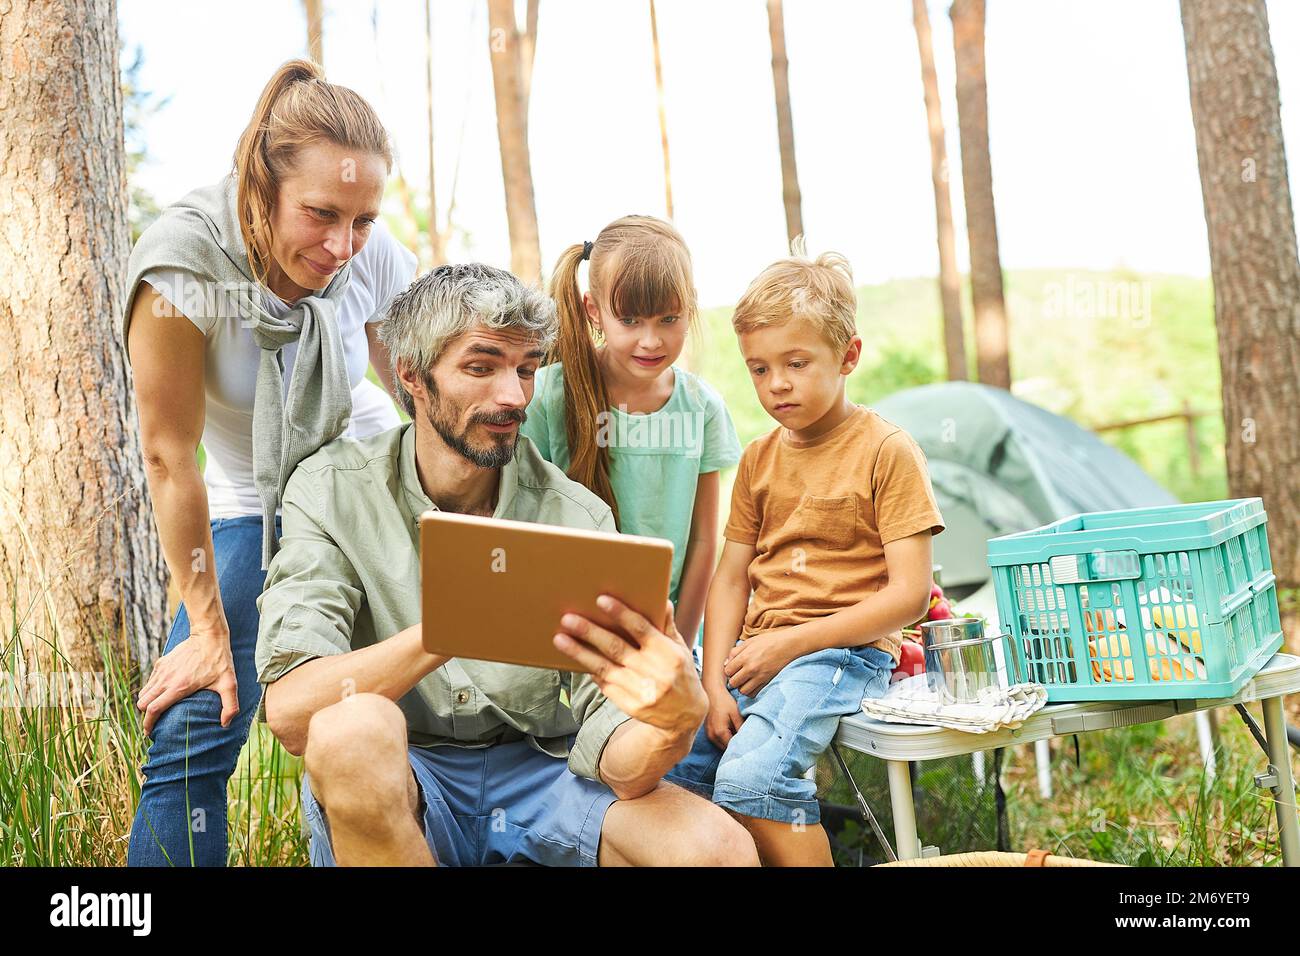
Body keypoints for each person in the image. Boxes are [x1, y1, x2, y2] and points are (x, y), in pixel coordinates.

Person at [254, 262, 758, 867]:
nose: (514, 396)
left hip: (543, 773)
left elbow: (621, 771)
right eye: (481, 366)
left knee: (717, 848)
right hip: (406, 776)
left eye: (525, 370)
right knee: (350, 731)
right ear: (411, 375)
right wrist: (454, 626)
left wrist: (672, 723)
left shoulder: (579, 518)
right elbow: (292, 713)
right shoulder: (332, 492)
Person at [121, 59, 416, 866]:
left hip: (362, 480)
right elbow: (168, 455)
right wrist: (209, 631)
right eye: (321, 214)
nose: (342, 245)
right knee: (193, 724)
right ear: (260, 184)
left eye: (361, 219)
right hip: (250, 499)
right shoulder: (184, 267)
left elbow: (419, 392)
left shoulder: (372, 251)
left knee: (413, 708)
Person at [666, 252, 946, 866]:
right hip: (754, 653)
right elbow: (731, 577)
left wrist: (789, 645)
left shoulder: (887, 451)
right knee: (673, 767)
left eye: (796, 363)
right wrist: (712, 683)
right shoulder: (759, 458)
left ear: (848, 356)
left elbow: (909, 596)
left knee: (755, 776)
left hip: (841, 652)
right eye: (759, 369)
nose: (777, 385)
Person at [520, 217, 742, 648]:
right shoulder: (549, 397)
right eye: (631, 320)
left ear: (690, 309)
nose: (651, 340)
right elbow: (528, 522)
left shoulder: (703, 408)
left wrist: (683, 643)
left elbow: (702, 542)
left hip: (666, 630)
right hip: (569, 627)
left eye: (668, 319)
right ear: (594, 312)